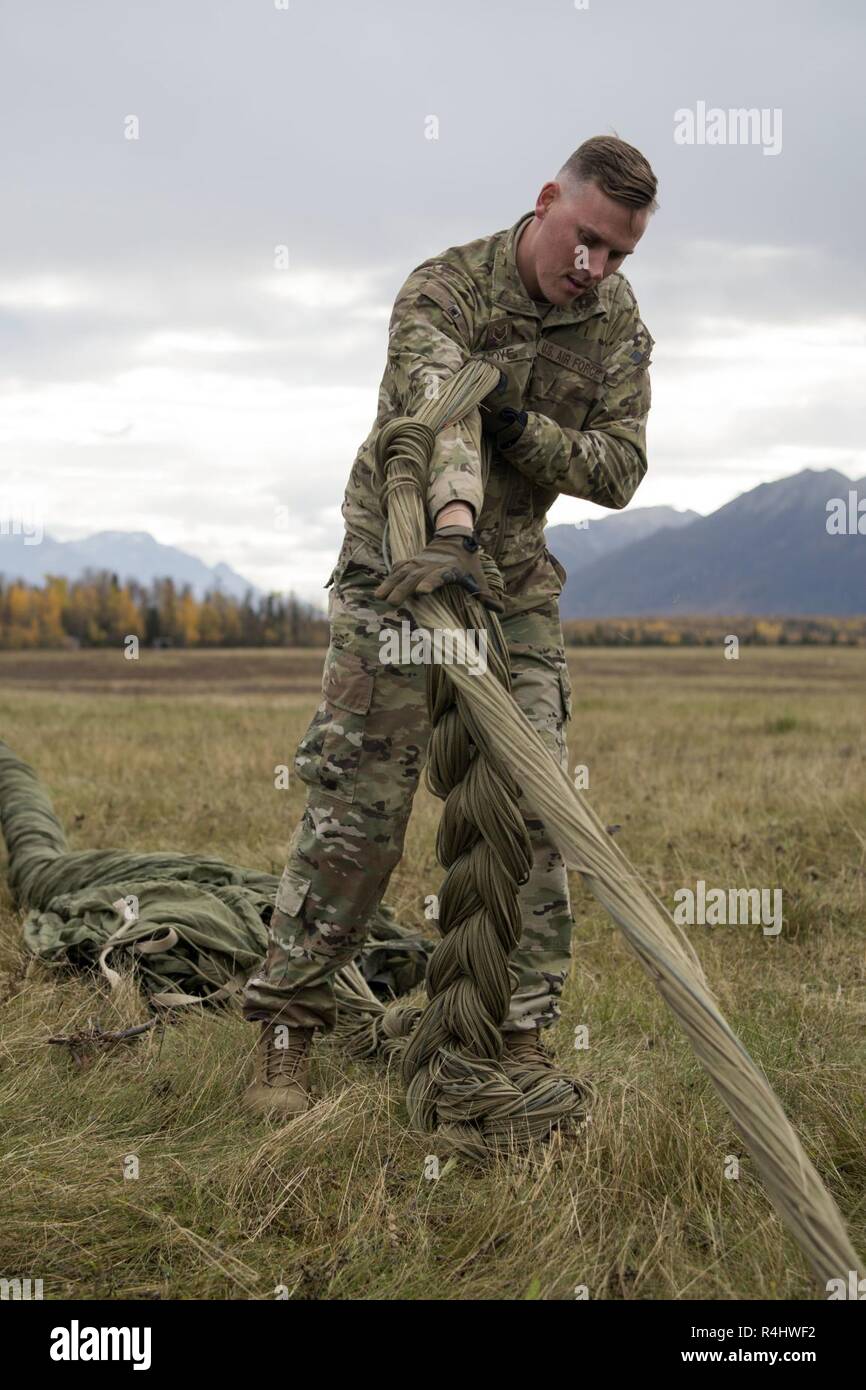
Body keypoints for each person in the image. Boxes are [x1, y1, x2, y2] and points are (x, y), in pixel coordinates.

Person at [241, 135, 657, 1115]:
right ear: (547, 198)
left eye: (618, 254)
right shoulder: (442, 291)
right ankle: (286, 1027)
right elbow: (438, 418)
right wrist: (451, 534)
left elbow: (619, 469)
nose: (591, 268)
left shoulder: (613, 323)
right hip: (398, 570)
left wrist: (524, 429)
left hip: (511, 586)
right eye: (584, 239)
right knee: (363, 807)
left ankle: (511, 1033)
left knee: (538, 809)